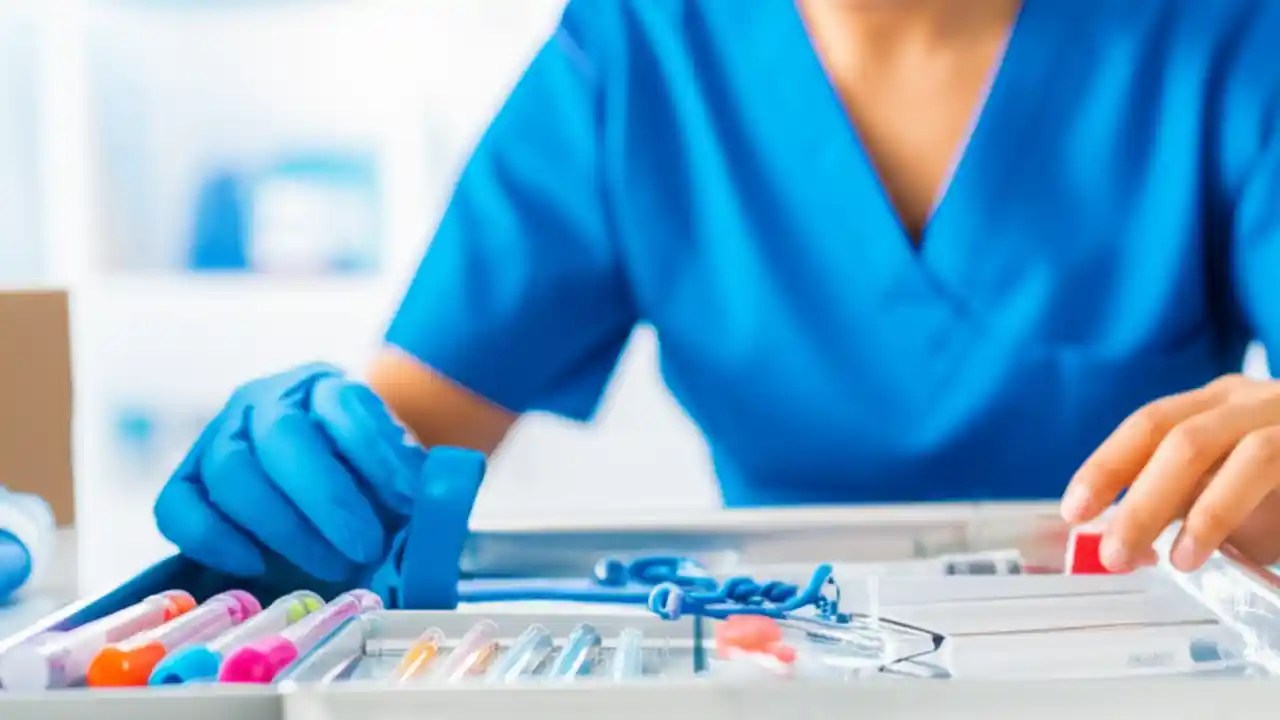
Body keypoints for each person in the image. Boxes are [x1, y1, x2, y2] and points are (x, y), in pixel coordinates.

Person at [154, 0, 1280, 590]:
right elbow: (408, 435)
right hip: (770, 661)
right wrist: (305, 458)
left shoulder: (1229, 34)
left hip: (1141, 656)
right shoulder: (635, 50)